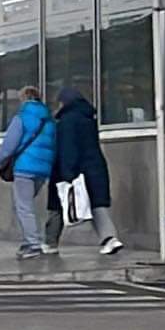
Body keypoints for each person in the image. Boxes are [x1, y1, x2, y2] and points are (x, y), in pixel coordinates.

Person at [0, 85, 58, 260]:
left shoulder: (21, 118)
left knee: (24, 207)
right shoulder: (49, 120)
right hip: (43, 169)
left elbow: (9, 147)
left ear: (23, 98)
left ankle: (33, 244)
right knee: (26, 206)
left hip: (24, 167)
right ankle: (29, 240)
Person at [45, 86, 124, 256]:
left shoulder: (67, 121)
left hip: (74, 170)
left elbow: (68, 148)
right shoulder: (89, 119)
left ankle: (50, 243)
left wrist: (67, 174)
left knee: (58, 205)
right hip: (95, 167)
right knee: (97, 205)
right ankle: (110, 239)